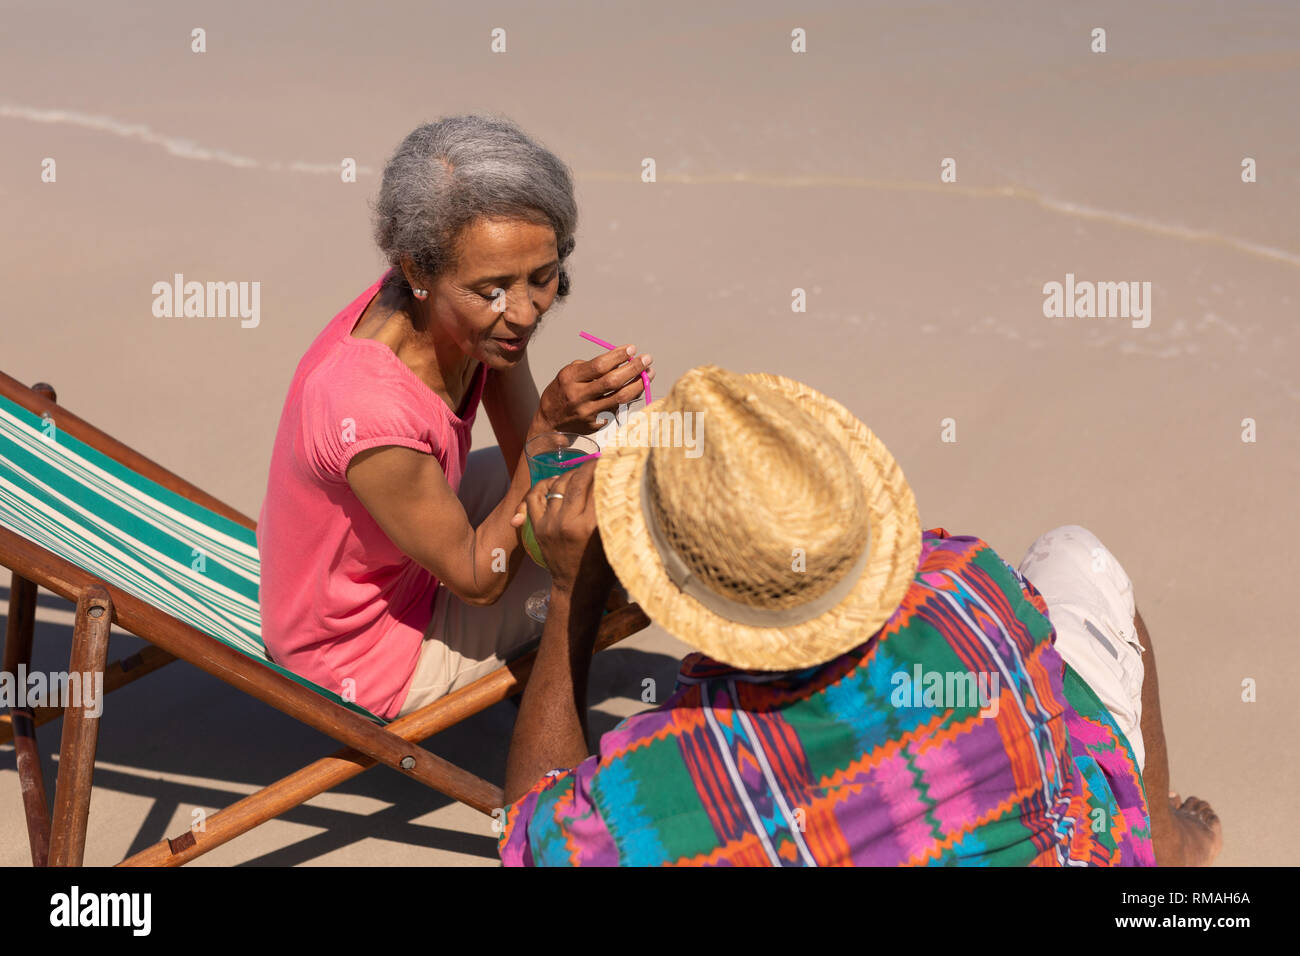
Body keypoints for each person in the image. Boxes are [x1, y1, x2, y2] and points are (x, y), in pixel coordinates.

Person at [499, 364, 1222, 866]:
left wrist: (571, 595)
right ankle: (1159, 844)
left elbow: (532, 833)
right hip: (1067, 844)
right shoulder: (967, 583)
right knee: (1076, 555)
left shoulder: (681, 776)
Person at [256, 115, 654, 720]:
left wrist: (568, 429)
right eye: (493, 289)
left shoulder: (455, 312)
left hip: (403, 560)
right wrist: (555, 428)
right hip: (364, 653)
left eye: (543, 277)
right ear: (417, 271)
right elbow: (478, 576)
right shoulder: (366, 406)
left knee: (626, 482)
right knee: (625, 529)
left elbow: (532, 448)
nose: (523, 313)